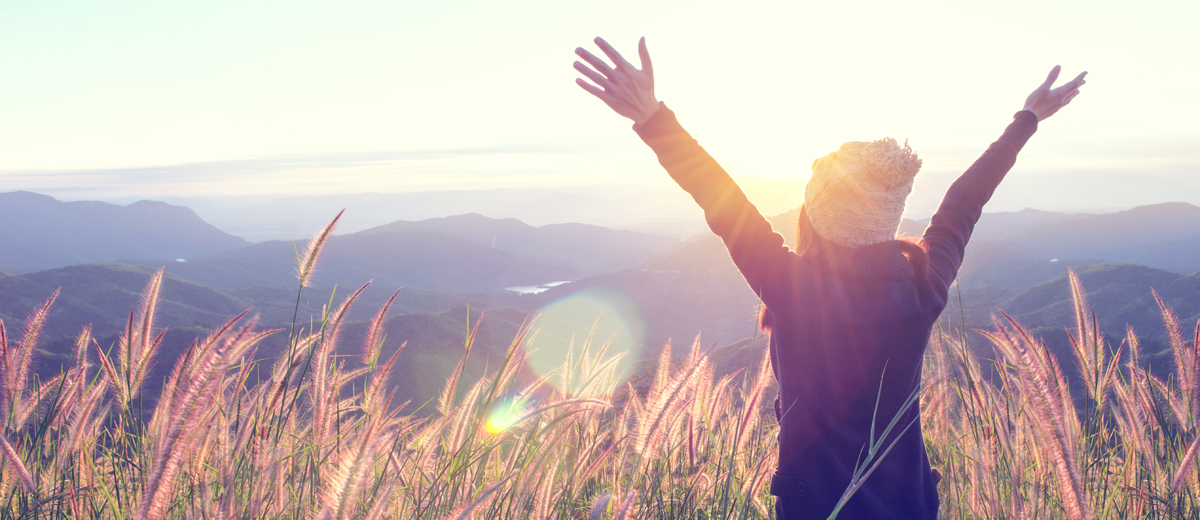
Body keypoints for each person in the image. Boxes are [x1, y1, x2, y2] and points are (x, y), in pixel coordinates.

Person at [573, 36, 1086, 518]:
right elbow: (964, 203)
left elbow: (722, 201)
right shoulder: (924, 285)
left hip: (816, 507)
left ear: (813, 217)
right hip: (909, 503)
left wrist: (652, 118)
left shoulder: (797, 292)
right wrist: (1027, 119)